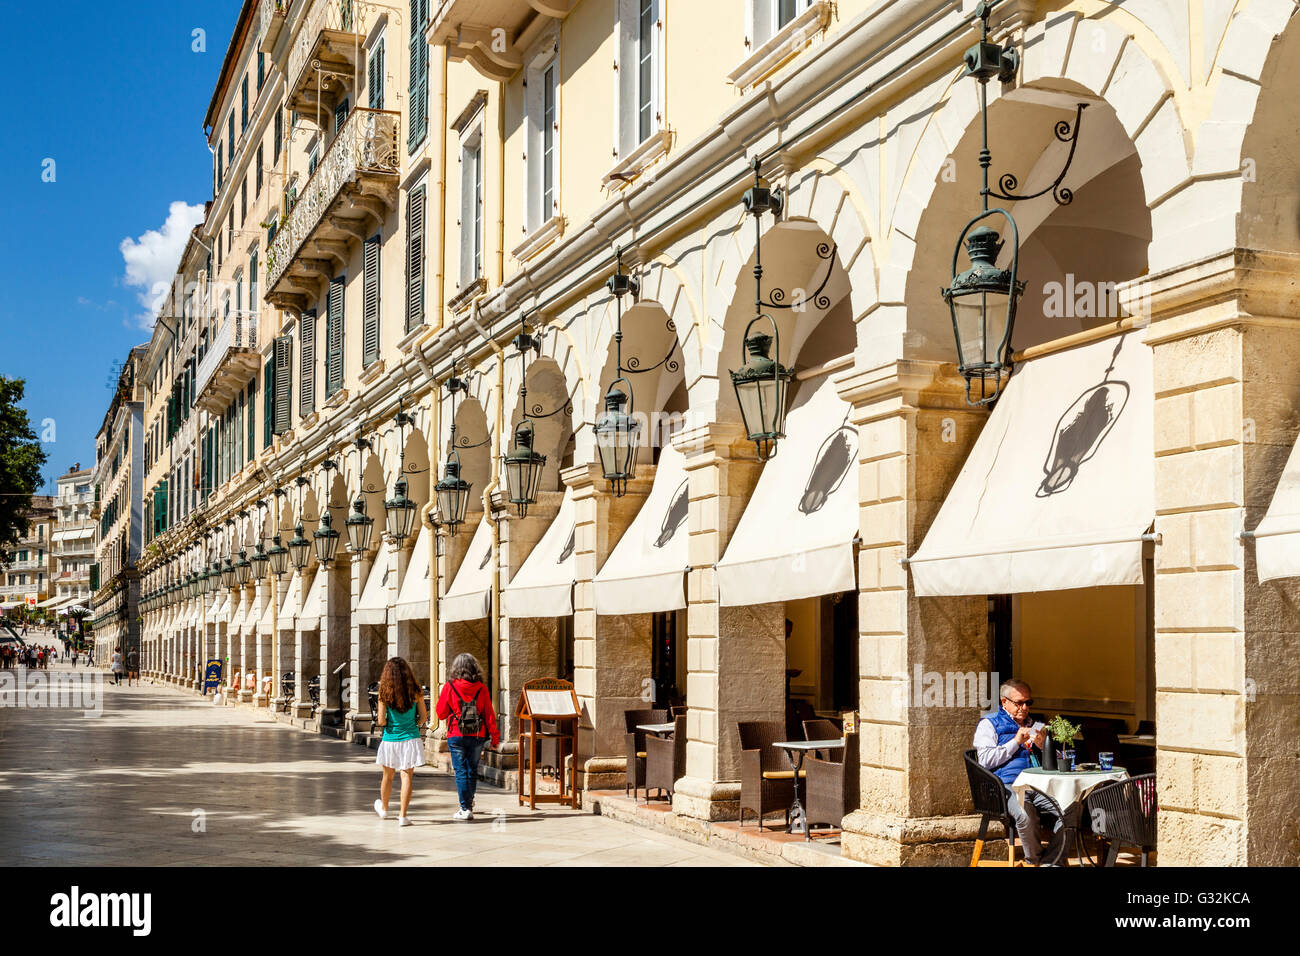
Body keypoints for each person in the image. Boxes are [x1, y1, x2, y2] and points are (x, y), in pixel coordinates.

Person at [972, 679, 1062, 866]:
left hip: (1039, 785)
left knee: (1070, 809)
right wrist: (1015, 742)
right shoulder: (990, 723)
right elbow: (985, 760)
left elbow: (1059, 760)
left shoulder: (1037, 725)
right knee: (1025, 814)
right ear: (1004, 702)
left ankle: (1051, 861)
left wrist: (1044, 745)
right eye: (1018, 703)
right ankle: (1033, 861)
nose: (1024, 707)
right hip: (1006, 785)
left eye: (1027, 702)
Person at [435, 653, 499, 821]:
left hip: (456, 734)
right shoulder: (481, 688)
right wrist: (495, 737)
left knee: (461, 771)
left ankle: (465, 808)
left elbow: (440, 713)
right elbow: (489, 715)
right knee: (471, 770)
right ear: (474, 668)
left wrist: (453, 709)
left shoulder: (450, 687)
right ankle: (468, 805)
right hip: (478, 734)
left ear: (456, 668)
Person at [372, 657, 429, 827]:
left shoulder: (384, 692)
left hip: (390, 739)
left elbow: (381, 721)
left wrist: (391, 721)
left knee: (388, 776)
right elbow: (424, 717)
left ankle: (384, 808)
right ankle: (403, 816)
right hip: (410, 738)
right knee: (406, 776)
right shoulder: (416, 690)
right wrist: (413, 724)